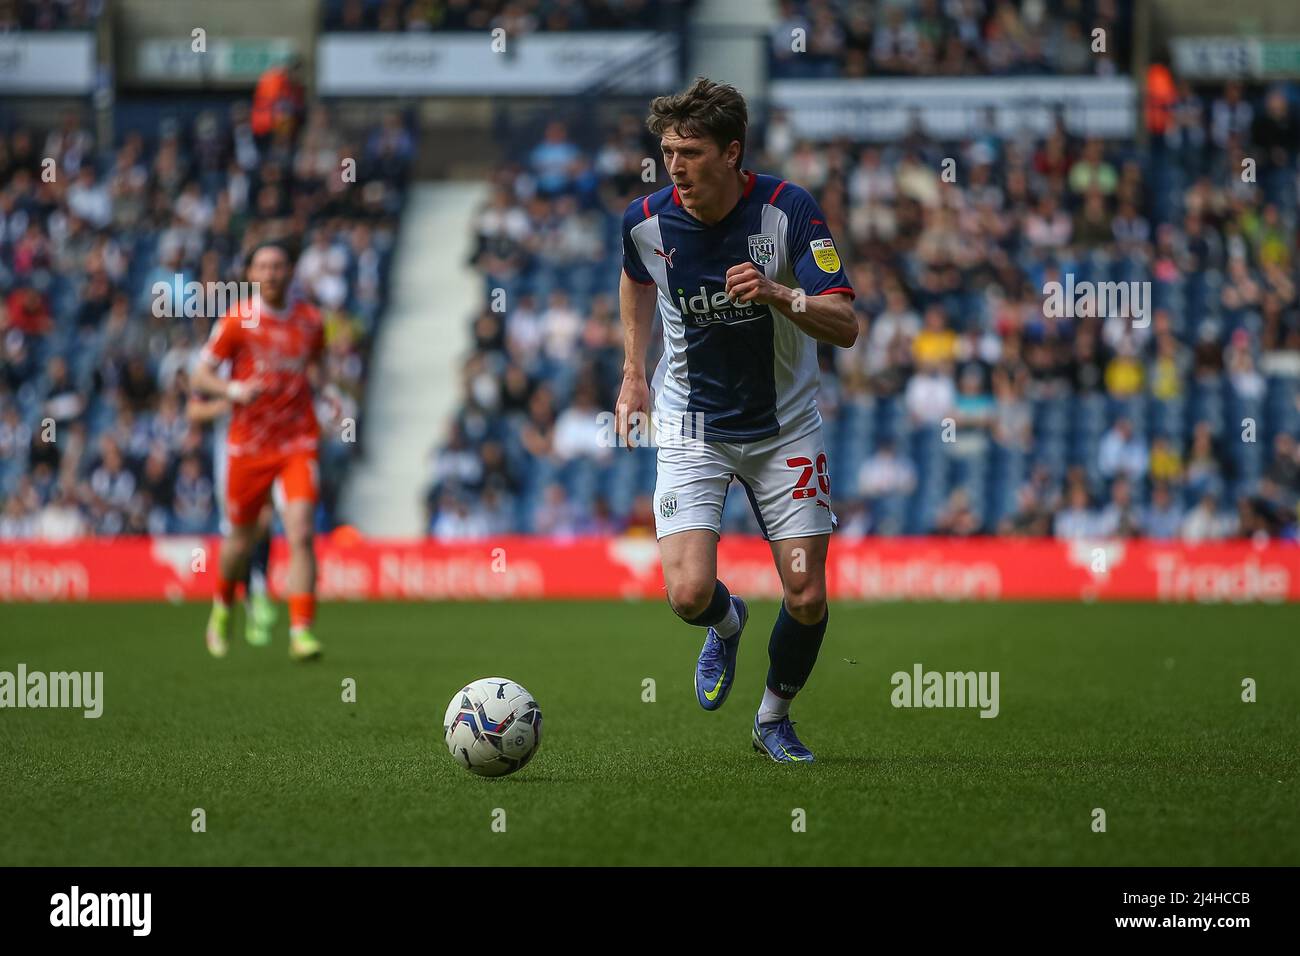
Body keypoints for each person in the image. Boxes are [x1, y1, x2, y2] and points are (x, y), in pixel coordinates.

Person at [615, 77, 857, 763]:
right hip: (691, 424)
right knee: (688, 593)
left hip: (785, 429)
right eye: (667, 151)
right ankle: (727, 623)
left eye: (690, 151)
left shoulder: (790, 210)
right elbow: (634, 279)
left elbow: (846, 324)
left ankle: (773, 718)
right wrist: (634, 372)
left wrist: (782, 293)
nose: (676, 166)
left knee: (806, 593)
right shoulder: (645, 222)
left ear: (731, 152)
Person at [191, 241, 324, 661]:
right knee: (240, 542)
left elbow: (317, 367)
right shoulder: (236, 321)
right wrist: (234, 389)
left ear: (291, 272)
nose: (271, 273)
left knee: (300, 530)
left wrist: (327, 393)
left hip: (297, 441)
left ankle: (301, 631)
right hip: (248, 446)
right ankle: (223, 606)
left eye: (279, 265)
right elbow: (201, 373)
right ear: (250, 274)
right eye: (263, 266)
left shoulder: (310, 320)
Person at [185, 384, 277, 648]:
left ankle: (259, 588)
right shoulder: (218, 368)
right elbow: (193, 411)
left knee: (265, 519)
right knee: (239, 535)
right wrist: (227, 403)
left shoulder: (264, 358)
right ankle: (242, 604)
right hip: (230, 461)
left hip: (265, 449)